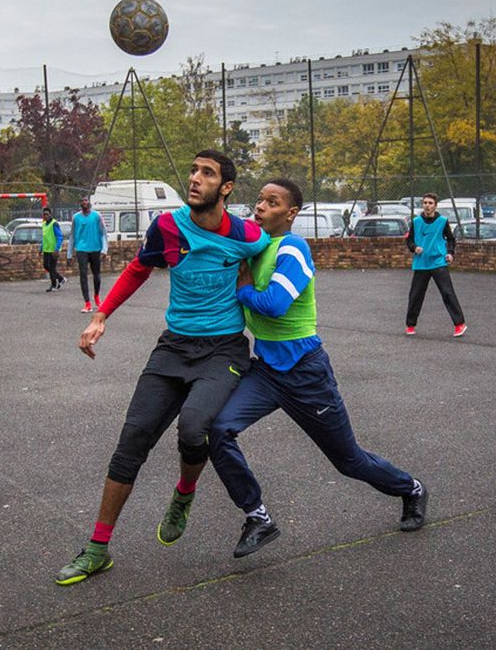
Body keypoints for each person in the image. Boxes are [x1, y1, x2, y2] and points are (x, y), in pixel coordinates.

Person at [56, 150, 270, 586]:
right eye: (193, 171)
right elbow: (138, 269)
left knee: (194, 430)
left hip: (223, 350)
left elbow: (274, 259)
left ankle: (184, 494)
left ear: (226, 188)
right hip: (173, 347)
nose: (195, 179)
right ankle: (97, 549)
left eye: (206, 174)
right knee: (132, 439)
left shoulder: (249, 235)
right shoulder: (169, 227)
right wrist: (101, 316)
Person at [209, 179, 428, 558]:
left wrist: (244, 289)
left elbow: (275, 303)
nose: (260, 206)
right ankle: (258, 516)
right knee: (217, 430)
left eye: (272, 202)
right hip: (267, 371)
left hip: (306, 372)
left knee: (348, 461)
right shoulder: (256, 249)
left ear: (291, 213)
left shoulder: (293, 247)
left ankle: (411, 488)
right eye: (259, 200)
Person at [404, 193, 466, 337]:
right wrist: (414, 248)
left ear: (435, 205)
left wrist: (450, 253)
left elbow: (451, 239)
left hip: (438, 262)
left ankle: (460, 324)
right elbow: (409, 240)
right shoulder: (416, 222)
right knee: (415, 295)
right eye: (425, 202)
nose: (427, 205)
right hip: (421, 263)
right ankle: (410, 325)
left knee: (447, 293)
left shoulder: (442, 221)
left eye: (430, 203)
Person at [68, 197, 108, 313]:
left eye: (86, 201)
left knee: (97, 275)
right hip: (81, 249)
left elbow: (104, 233)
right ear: (80, 204)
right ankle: (87, 303)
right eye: (82, 201)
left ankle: (96, 296)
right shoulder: (76, 218)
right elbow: (72, 236)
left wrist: (104, 249)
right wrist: (69, 254)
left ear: (89, 203)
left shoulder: (97, 216)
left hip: (95, 248)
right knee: (83, 275)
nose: (84, 203)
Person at [41, 207, 67, 292]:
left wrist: (56, 249)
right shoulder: (44, 224)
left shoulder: (54, 224)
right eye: (44, 214)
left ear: (50, 214)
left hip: (53, 250)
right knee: (46, 266)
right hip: (46, 250)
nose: (46, 216)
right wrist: (40, 248)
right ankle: (60, 278)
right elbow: (44, 237)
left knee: (52, 268)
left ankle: (53, 285)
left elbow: (59, 237)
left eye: (47, 214)